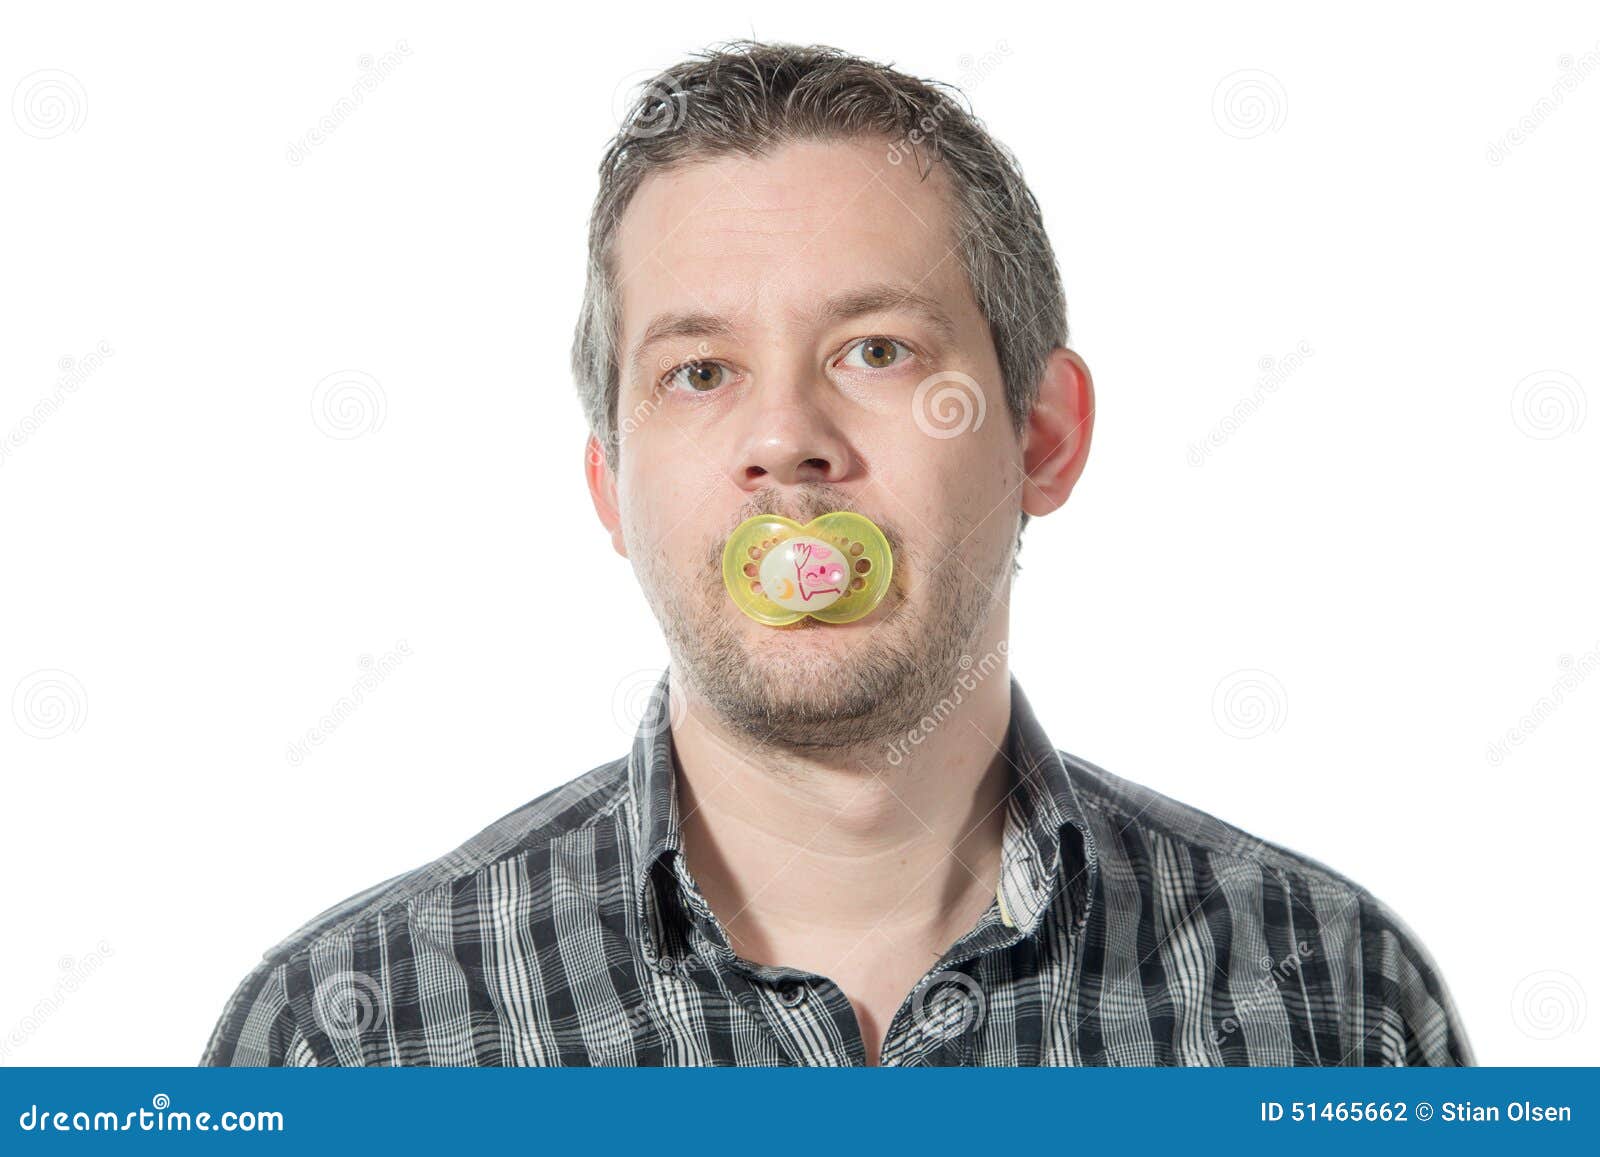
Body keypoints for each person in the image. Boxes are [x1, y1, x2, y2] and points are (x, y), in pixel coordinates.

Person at [202, 39, 1473, 1067]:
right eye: (699, 372)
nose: (783, 442)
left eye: (876, 351)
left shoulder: (1336, 1002)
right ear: (612, 488)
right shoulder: (341, 1040)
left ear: (1041, 434)